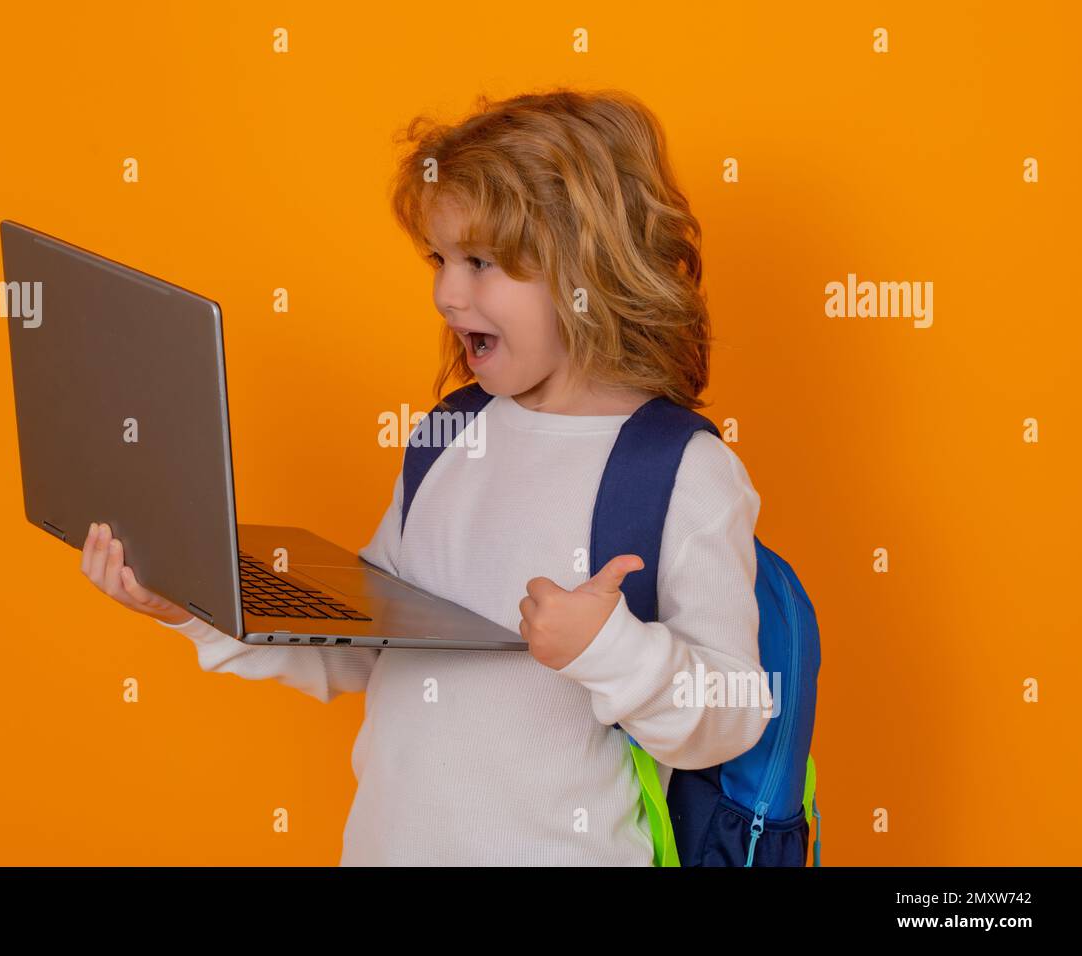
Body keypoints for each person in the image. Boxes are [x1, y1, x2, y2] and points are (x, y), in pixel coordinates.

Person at [80, 87, 769, 865]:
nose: (447, 293)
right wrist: (191, 603)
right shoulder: (449, 434)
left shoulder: (681, 471)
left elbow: (733, 713)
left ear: (590, 272)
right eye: (440, 260)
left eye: (481, 263)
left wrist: (608, 648)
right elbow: (360, 646)